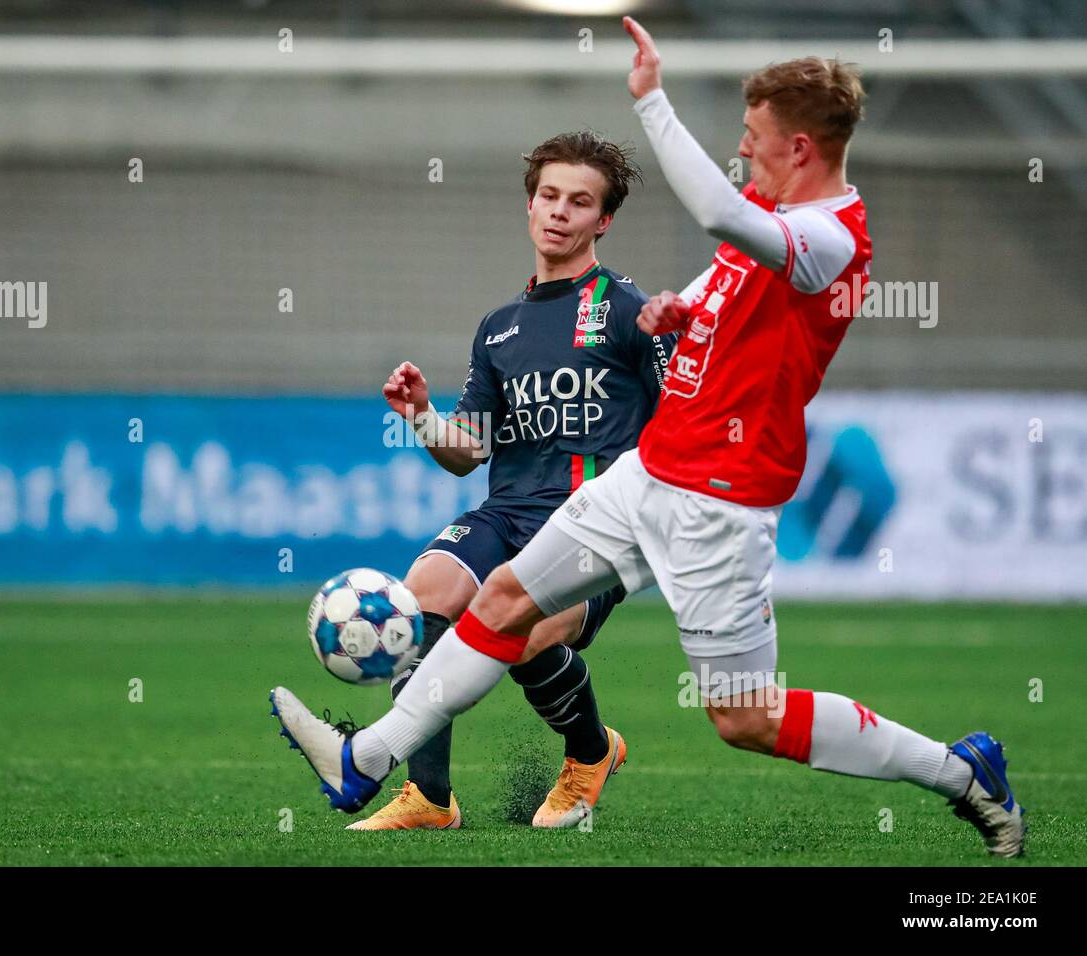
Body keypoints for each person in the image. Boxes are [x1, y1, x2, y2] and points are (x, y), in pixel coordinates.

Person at [270, 17, 1025, 858]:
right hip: (648, 474)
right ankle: (364, 760)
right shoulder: (770, 220)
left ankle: (963, 773)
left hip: (719, 501)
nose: (743, 150)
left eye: (755, 138)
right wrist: (680, 313)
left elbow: (717, 214)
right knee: (502, 602)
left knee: (745, 717)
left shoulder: (831, 237)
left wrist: (652, 101)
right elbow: (709, 288)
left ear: (802, 147)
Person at [343, 130, 676, 830]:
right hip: (508, 511)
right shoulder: (500, 328)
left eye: (578, 201)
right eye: (549, 196)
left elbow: (683, 414)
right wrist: (424, 417)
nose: (559, 211)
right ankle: (429, 798)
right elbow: (471, 450)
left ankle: (590, 752)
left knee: (524, 635)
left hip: (597, 519)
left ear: (602, 220)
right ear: (529, 206)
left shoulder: (626, 310)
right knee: (419, 601)